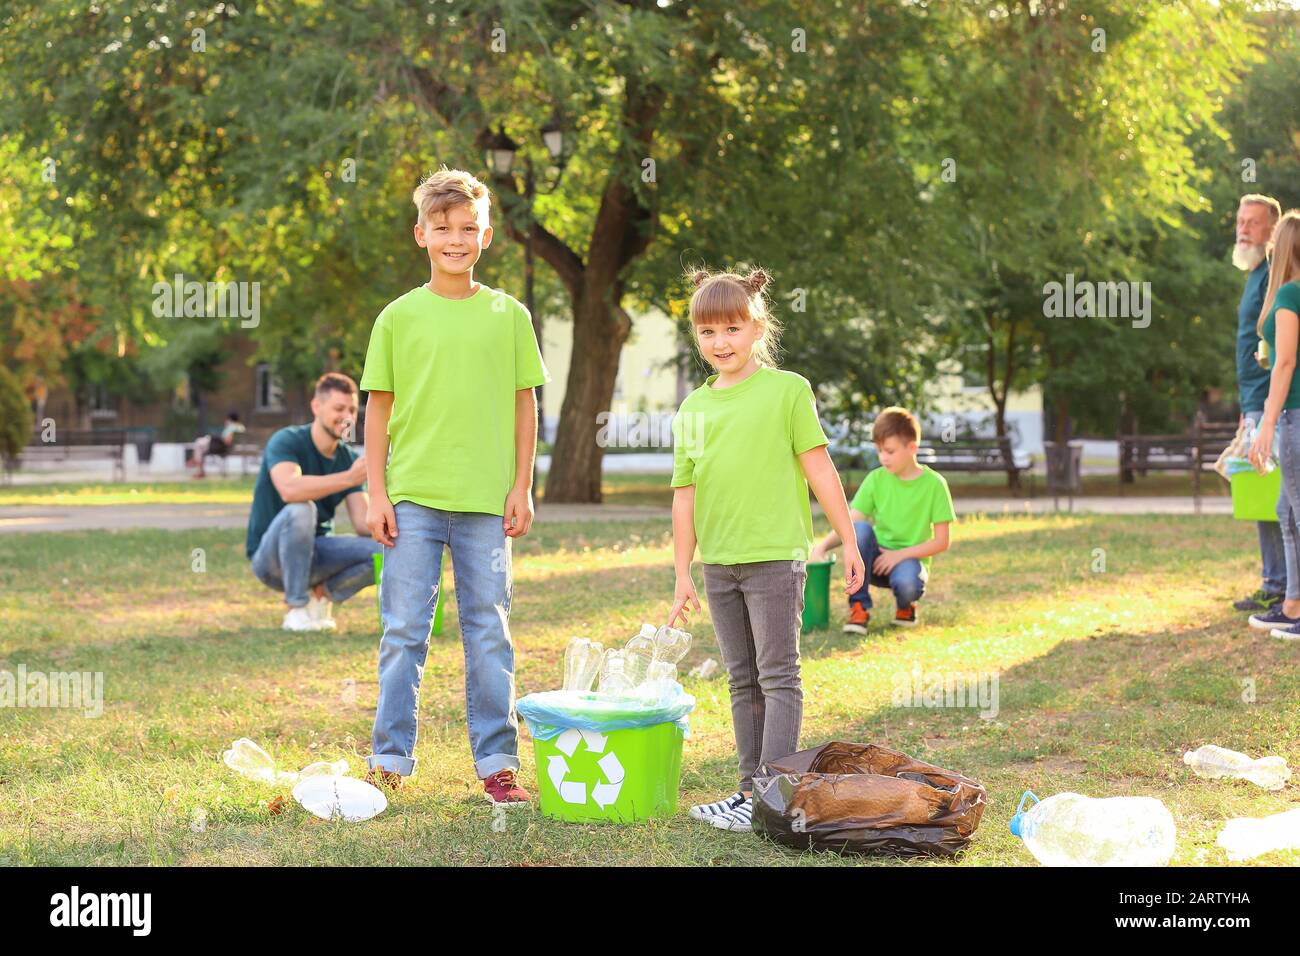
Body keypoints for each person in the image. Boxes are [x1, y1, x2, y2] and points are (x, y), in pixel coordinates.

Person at [360, 167, 549, 805]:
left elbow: (526, 406)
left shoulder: (509, 315)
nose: (456, 239)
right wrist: (376, 493)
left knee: (489, 630)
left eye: (468, 229)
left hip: (486, 505)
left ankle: (498, 764)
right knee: (404, 631)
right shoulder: (397, 318)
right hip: (411, 497)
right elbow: (378, 411)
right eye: (443, 229)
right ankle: (389, 759)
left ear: (486, 235)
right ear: (421, 235)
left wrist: (521, 486)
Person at [668, 266, 865, 833]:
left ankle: (773, 795)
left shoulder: (787, 391)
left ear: (757, 328)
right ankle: (746, 792)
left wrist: (848, 539)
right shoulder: (693, 409)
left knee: (777, 675)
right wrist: (683, 572)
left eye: (731, 329)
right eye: (707, 333)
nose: (720, 343)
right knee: (741, 679)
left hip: (775, 559)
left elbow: (820, 471)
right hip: (719, 565)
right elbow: (685, 497)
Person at [245, 373, 380, 632]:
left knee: (384, 552)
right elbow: (289, 490)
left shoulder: (347, 458)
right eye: (339, 408)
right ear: (316, 407)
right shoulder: (287, 440)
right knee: (301, 509)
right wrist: (348, 477)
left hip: (317, 554)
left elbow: (364, 523)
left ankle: (320, 596)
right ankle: (296, 608)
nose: (347, 416)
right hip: (271, 559)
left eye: (352, 409)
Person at [810, 406, 954, 631]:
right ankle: (858, 608)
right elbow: (849, 522)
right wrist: (821, 547)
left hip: (909, 561)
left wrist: (898, 556)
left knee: (907, 584)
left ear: (912, 448)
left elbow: (942, 541)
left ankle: (906, 605)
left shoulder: (935, 484)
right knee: (860, 529)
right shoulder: (876, 479)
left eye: (890, 451)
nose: (883, 457)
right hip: (874, 560)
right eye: (879, 450)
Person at [1246, 210, 1300, 639]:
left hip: (1293, 414)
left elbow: (1284, 362)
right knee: (1287, 510)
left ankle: (1297, 609)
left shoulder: (1289, 294)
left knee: (1296, 511)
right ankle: (1292, 604)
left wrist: (1266, 424)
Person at [1232, 194, 1286, 613]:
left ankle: (1283, 584)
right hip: (1254, 400)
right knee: (1261, 491)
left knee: (1276, 493)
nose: (1243, 229)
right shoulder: (1254, 274)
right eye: (1240, 221)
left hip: (1274, 401)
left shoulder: (1277, 273)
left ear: (1273, 229)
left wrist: (1267, 407)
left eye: (1252, 223)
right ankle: (1275, 580)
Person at [190, 411, 246, 479]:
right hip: (219, 445)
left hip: (219, 446)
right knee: (199, 446)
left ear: (230, 419)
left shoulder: (232, 427)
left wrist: (217, 437)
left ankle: (199, 469)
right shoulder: (240, 427)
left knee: (198, 444)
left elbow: (227, 441)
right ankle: (197, 465)